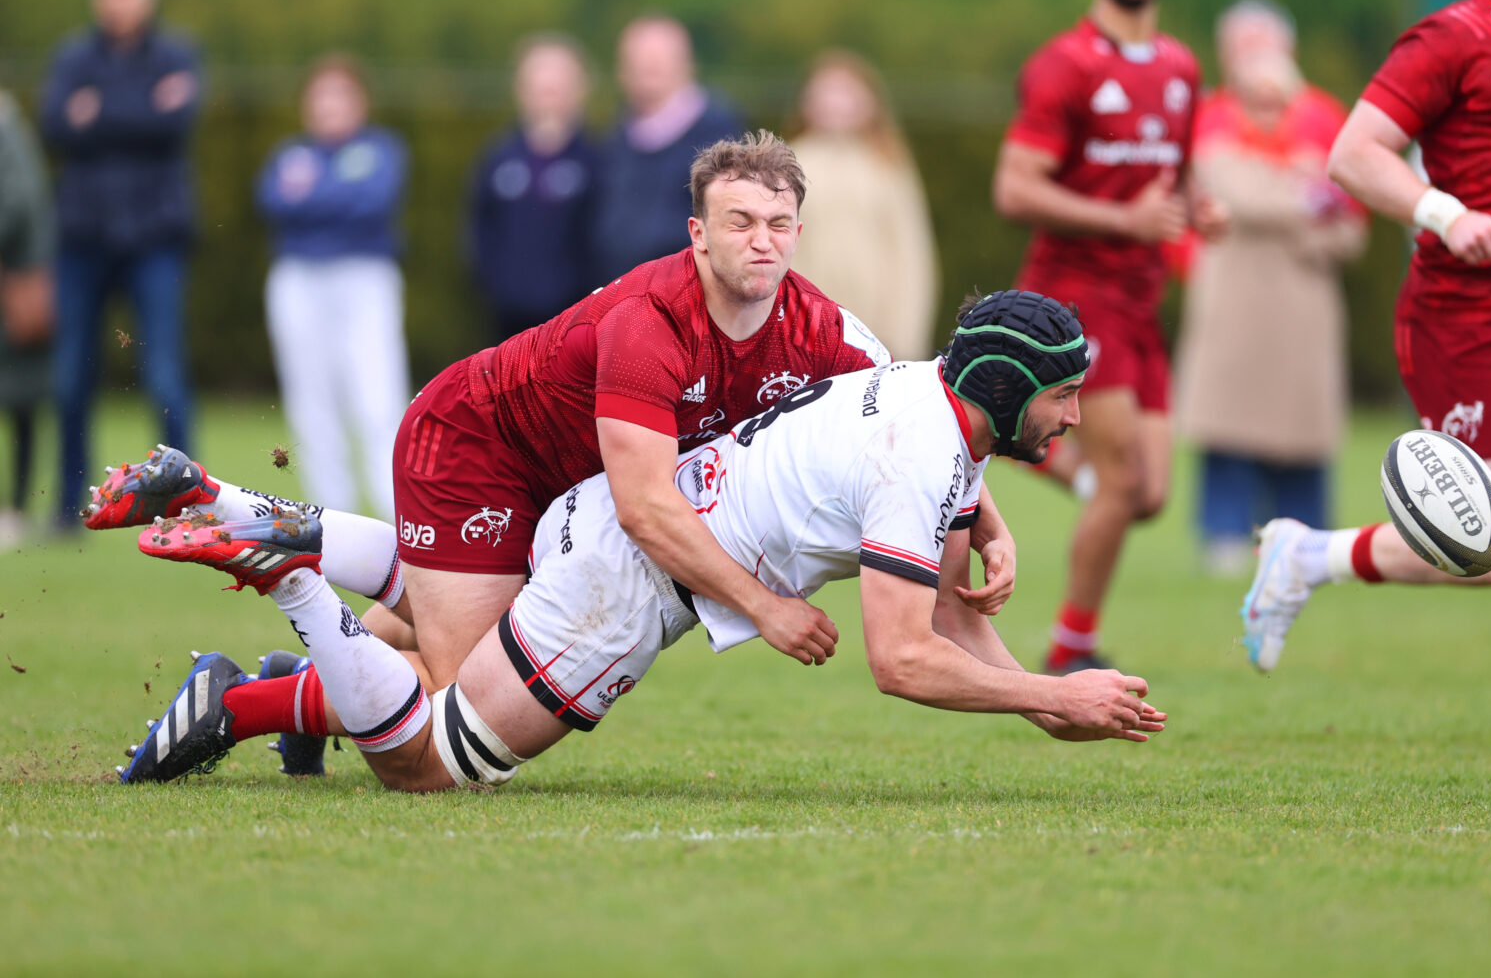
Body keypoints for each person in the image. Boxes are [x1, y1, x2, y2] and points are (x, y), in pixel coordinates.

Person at [84, 132, 1021, 775]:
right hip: (477, 448)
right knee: (456, 695)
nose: (761, 242)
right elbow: (651, 508)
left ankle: (235, 512)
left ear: (798, 234)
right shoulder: (651, 324)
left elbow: (920, 408)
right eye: (739, 223)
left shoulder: (824, 328)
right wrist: (766, 609)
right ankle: (244, 689)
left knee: (436, 651)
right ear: (697, 234)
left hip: (567, 486)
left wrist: (983, 516)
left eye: (778, 225)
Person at [115, 290, 1168, 788]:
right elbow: (900, 656)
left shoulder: (934, 413)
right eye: (1062, 396)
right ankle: (295, 577)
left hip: (611, 532)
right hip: (627, 581)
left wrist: (1045, 700)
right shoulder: (919, 458)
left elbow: (945, 613)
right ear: (1003, 389)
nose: (1074, 419)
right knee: (432, 762)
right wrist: (1050, 694)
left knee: (431, 639)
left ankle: (258, 560)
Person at [1241, 0, 1491, 672]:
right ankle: (1308, 555)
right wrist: (1447, 214)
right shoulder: (1452, 38)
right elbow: (1352, 154)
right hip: (1470, 321)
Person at [991, 0, 1213, 673]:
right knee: (1120, 483)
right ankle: (1068, 652)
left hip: (1141, 304)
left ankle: (1002, 429)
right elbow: (1015, 187)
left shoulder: (1181, 65)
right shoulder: (1065, 64)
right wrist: (1126, 218)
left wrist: (1201, 207)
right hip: (1077, 298)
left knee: (1147, 493)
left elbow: (1173, 177)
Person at [1174, 0, 1365, 576]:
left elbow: (1350, 223)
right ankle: (1225, 541)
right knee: (1227, 432)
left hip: (1303, 311)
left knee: (1302, 437)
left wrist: (1283, 203)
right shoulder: (1207, 116)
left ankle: (1306, 549)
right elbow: (1220, 188)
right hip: (1233, 307)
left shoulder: (1325, 116)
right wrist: (1305, 197)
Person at [40, 0, 200, 530]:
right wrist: (140, 109)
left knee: (164, 374)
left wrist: (99, 113)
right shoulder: (72, 57)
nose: (117, 3)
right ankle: (69, 506)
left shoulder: (178, 52)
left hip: (155, 237)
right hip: (83, 237)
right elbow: (56, 124)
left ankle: (189, 503)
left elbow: (174, 123)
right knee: (70, 377)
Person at [256, 53, 410, 519]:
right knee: (311, 399)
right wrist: (332, 194)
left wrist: (312, 197)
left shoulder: (382, 150)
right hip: (298, 280)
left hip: (365, 278)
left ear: (360, 102)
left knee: (377, 394)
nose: (328, 107)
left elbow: (372, 200)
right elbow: (271, 201)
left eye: (339, 96)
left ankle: (398, 512)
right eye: (319, 97)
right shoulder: (290, 155)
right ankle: (330, 516)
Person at [789, 49, 940, 361]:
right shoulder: (788, 163)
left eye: (846, 91)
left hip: (879, 334)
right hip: (804, 332)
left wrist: (905, 337)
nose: (836, 102)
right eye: (827, 91)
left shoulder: (888, 167)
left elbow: (911, 253)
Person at [590, 15, 744, 284]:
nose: (647, 69)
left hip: (685, 299)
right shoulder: (617, 134)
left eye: (657, 61)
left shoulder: (718, 132)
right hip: (620, 295)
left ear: (686, 65)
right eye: (637, 62)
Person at [468, 34, 600, 342]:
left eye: (557, 87)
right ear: (521, 89)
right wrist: (495, 285)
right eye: (539, 86)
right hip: (506, 320)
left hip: (576, 324)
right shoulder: (498, 158)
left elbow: (601, 240)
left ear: (579, 89)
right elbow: (478, 229)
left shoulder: (597, 161)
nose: (547, 96)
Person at [0, 88, 54, 547]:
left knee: (19, 402)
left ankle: (15, 507)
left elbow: (16, 206)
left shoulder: (7, 133)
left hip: (12, 293)